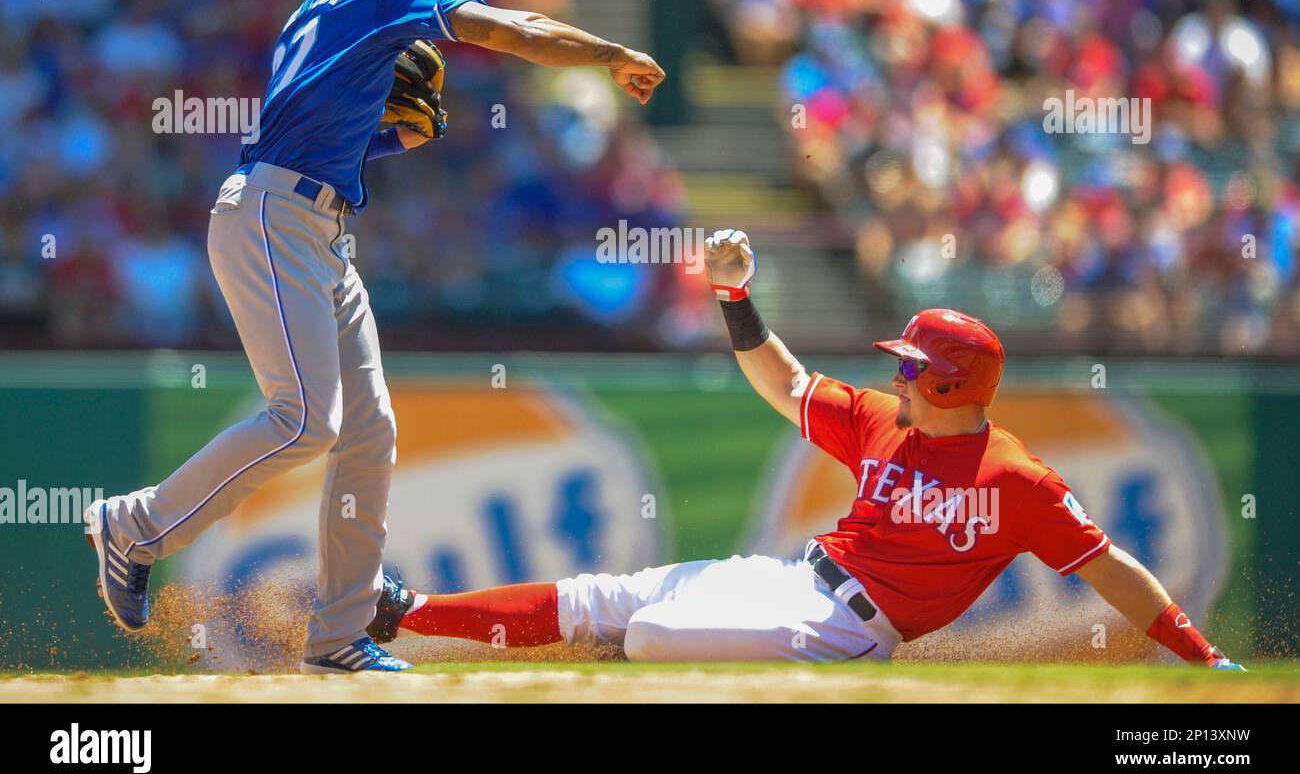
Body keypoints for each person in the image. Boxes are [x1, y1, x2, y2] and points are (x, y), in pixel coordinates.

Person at [83, 0, 665, 674]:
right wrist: (608, 53)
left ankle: (337, 634)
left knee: (369, 430)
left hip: (309, 217)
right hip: (273, 216)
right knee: (302, 419)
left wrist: (397, 137)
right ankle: (136, 525)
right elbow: (512, 29)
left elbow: (324, 135)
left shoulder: (319, 11)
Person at [359, 229, 1245, 670]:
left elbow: (1109, 567)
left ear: (945, 384)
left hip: (845, 630)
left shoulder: (1013, 476)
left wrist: (1199, 655)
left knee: (651, 634)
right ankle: (405, 610)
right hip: (795, 579)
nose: (897, 375)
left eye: (911, 366)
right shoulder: (880, 419)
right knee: (608, 596)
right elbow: (782, 382)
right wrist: (736, 296)